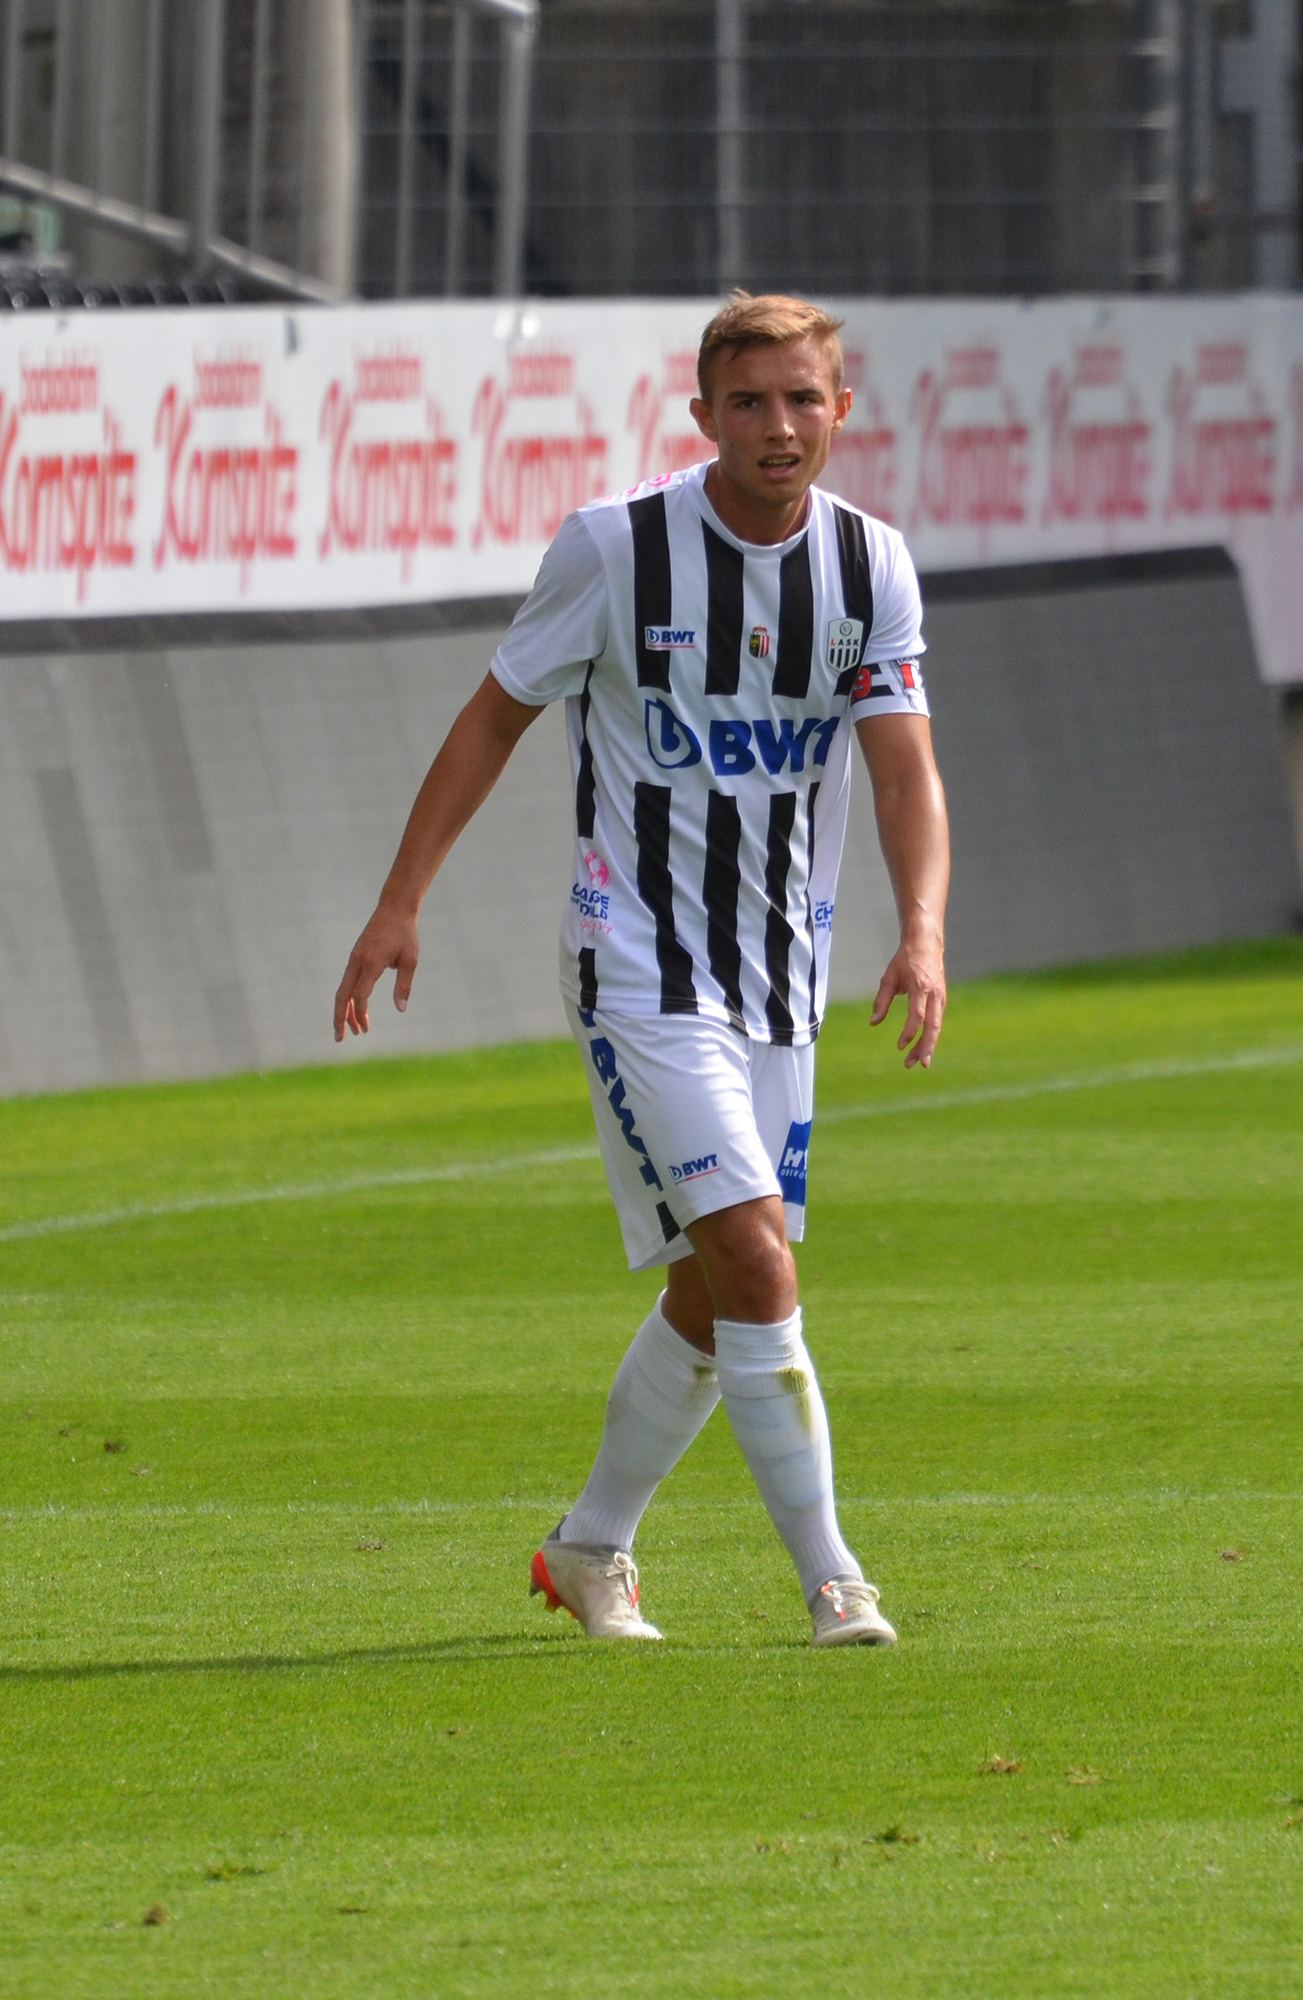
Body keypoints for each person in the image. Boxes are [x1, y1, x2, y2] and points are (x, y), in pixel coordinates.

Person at [330, 292, 952, 1648]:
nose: (778, 425)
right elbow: (494, 717)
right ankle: (834, 1580)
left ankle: (589, 1547)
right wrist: (399, 901)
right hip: (637, 964)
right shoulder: (615, 550)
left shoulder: (871, 566)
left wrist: (921, 929)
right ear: (702, 416)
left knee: (711, 1289)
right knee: (758, 1263)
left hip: (780, 974)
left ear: (840, 410)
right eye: (749, 401)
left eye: (802, 398)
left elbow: (904, 768)